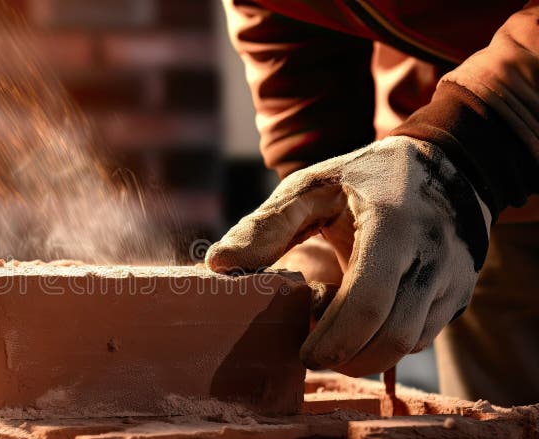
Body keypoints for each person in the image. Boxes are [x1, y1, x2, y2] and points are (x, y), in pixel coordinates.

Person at [207, 0, 539, 406]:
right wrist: (329, 193)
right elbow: (286, 16)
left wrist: (473, 142)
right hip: (471, 193)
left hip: (478, 148)